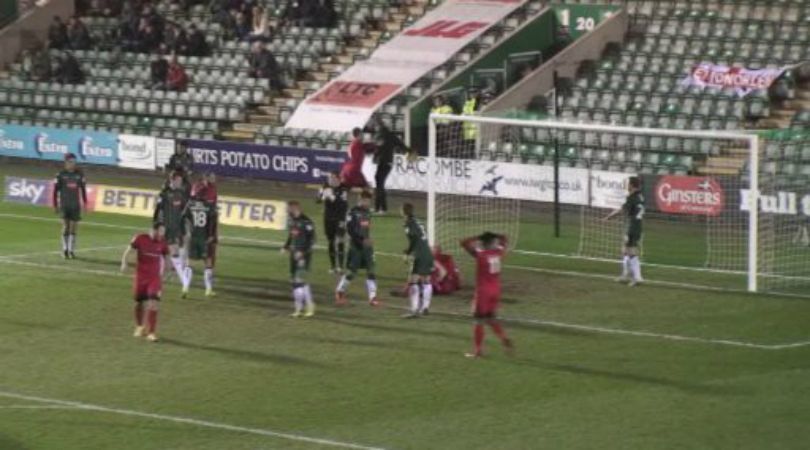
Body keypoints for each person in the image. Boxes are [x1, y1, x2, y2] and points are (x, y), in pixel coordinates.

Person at [460, 232, 513, 358]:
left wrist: (477, 237)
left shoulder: (480, 255)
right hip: (495, 291)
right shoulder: (498, 253)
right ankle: (504, 338)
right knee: (491, 318)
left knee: (478, 321)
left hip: (483, 293)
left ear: (483, 243)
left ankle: (478, 351)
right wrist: (495, 235)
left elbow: (463, 242)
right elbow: (505, 238)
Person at [120, 222, 170, 342]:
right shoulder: (140, 238)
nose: (162, 234)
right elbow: (129, 251)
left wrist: (168, 271)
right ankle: (139, 326)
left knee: (154, 303)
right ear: (153, 230)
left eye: (163, 231)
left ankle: (151, 332)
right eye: (160, 231)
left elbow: (167, 256)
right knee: (139, 303)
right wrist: (124, 262)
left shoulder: (163, 242)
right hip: (141, 277)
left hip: (154, 279)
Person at [335, 191, 379, 306]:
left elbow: (366, 229)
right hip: (355, 246)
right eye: (365, 200)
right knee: (351, 273)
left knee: (371, 271)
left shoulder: (368, 212)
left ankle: (372, 297)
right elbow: (349, 230)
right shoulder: (352, 212)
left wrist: (368, 239)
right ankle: (340, 291)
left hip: (367, 247)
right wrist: (361, 240)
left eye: (369, 200)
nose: (367, 202)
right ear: (360, 199)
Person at [153, 171, 191, 294]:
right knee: (163, 258)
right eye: (178, 180)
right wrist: (157, 226)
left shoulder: (181, 194)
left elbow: (184, 212)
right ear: (173, 180)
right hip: (164, 229)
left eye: (181, 181)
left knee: (174, 254)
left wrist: (185, 227)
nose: (180, 183)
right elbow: (157, 211)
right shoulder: (164, 194)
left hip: (175, 229)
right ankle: (158, 285)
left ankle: (184, 283)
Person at [603, 176, 644, 286]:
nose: (626, 186)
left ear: (631, 185)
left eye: (627, 184)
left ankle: (637, 277)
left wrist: (609, 217)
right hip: (638, 226)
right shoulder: (640, 196)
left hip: (631, 226)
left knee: (631, 252)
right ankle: (625, 275)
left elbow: (622, 210)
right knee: (625, 250)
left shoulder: (631, 197)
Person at [283, 201, 316, 318]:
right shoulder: (291, 220)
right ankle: (309, 306)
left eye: (288, 209)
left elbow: (312, 241)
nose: (286, 211)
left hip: (303, 256)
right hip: (293, 255)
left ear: (294, 208)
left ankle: (299, 309)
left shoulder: (307, 222)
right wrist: (286, 246)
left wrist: (302, 253)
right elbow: (291, 235)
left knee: (298, 281)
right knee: (296, 281)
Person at [401, 203, 434, 318]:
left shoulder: (407, 224)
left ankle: (414, 309)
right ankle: (425, 307)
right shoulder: (419, 221)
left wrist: (407, 253)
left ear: (403, 212)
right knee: (426, 280)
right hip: (427, 252)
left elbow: (413, 239)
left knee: (413, 281)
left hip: (419, 254)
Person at [183, 194, 218, 297]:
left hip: (193, 237)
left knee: (189, 263)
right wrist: (211, 235)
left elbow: (183, 217)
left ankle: (185, 288)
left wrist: (188, 230)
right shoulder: (209, 205)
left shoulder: (190, 204)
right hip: (204, 238)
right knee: (208, 263)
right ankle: (208, 290)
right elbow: (213, 221)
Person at [53, 153, 87, 259]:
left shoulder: (80, 174)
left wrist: (85, 203)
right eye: (71, 161)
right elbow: (55, 191)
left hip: (75, 205)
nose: (73, 164)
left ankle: (71, 251)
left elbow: (83, 190)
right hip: (64, 205)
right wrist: (55, 205)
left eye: (74, 161)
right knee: (65, 227)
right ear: (66, 162)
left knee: (73, 228)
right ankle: (65, 250)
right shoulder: (60, 175)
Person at [317, 172, 348, 274]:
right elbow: (318, 200)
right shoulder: (325, 187)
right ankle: (333, 266)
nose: (330, 180)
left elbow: (342, 204)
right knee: (330, 241)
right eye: (330, 178)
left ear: (338, 179)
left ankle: (340, 267)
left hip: (340, 219)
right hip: (328, 218)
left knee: (340, 240)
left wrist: (331, 196)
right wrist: (321, 194)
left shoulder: (343, 189)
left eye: (333, 178)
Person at [372, 117, 404, 214]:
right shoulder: (391, 135)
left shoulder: (380, 135)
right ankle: (379, 208)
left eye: (375, 126)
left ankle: (381, 208)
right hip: (388, 162)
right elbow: (400, 144)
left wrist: (375, 157)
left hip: (383, 162)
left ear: (378, 126)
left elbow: (378, 148)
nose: (375, 128)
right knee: (379, 183)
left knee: (379, 183)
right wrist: (409, 151)